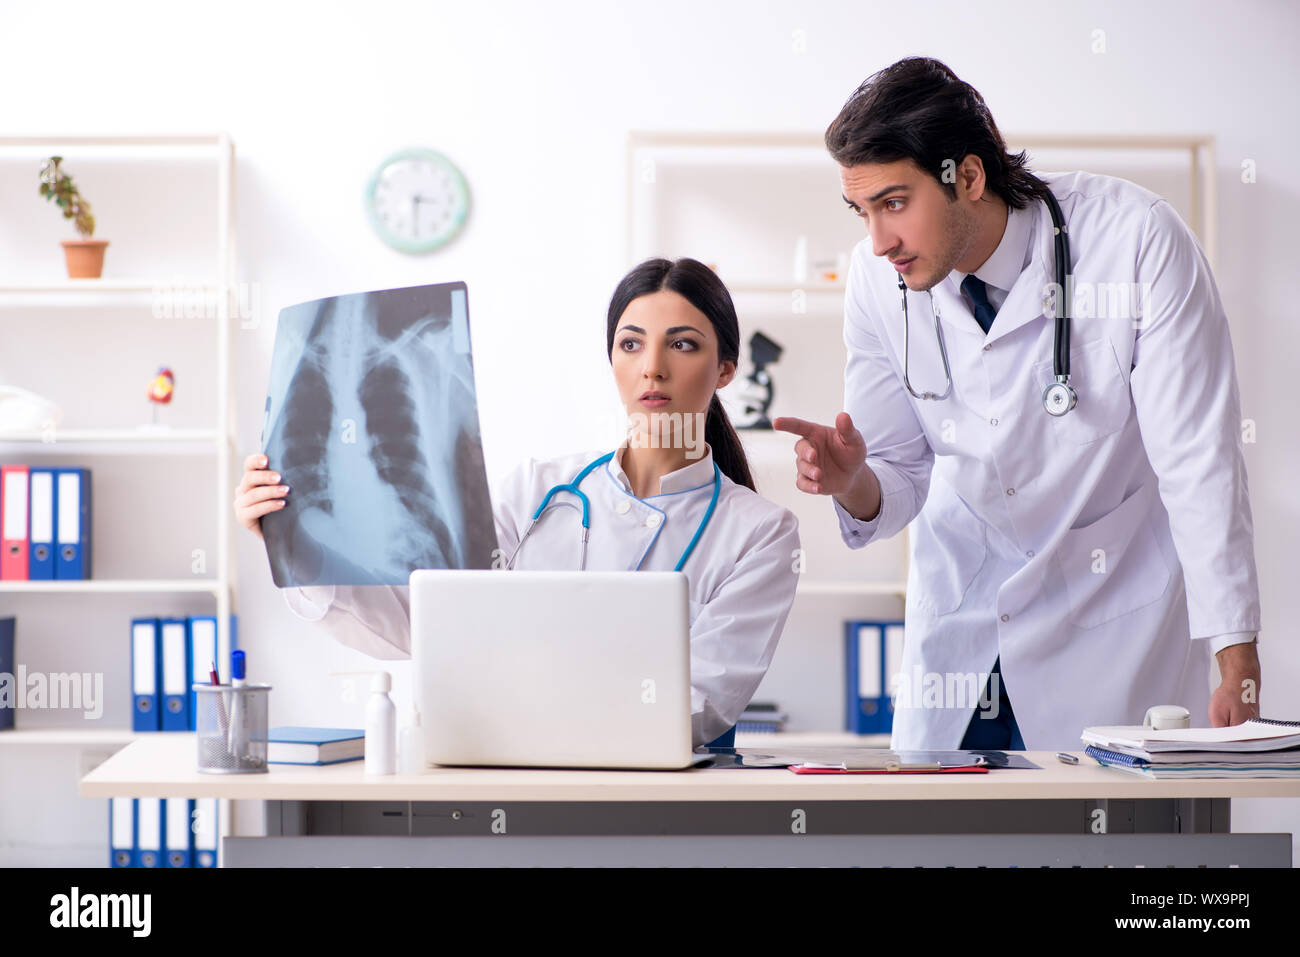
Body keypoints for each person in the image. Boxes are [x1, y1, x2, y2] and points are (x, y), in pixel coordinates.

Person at [775, 57, 1262, 751]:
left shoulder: (1135, 241)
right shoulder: (878, 281)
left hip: (1109, 633)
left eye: (894, 203)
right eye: (862, 211)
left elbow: (1197, 459)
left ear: (967, 177)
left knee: (1105, 848)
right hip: (961, 633)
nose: (878, 241)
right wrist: (853, 481)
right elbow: (899, 476)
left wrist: (1234, 648)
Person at [236, 257, 801, 749]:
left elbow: (700, 702)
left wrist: (529, 702)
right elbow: (422, 622)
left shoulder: (759, 533)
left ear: (725, 368)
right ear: (613, 362)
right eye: (631, 344)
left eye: (682, 344)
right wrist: (296, 544)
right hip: (499, 775)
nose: (652, 366)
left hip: (642, 805)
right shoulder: (536, 490)